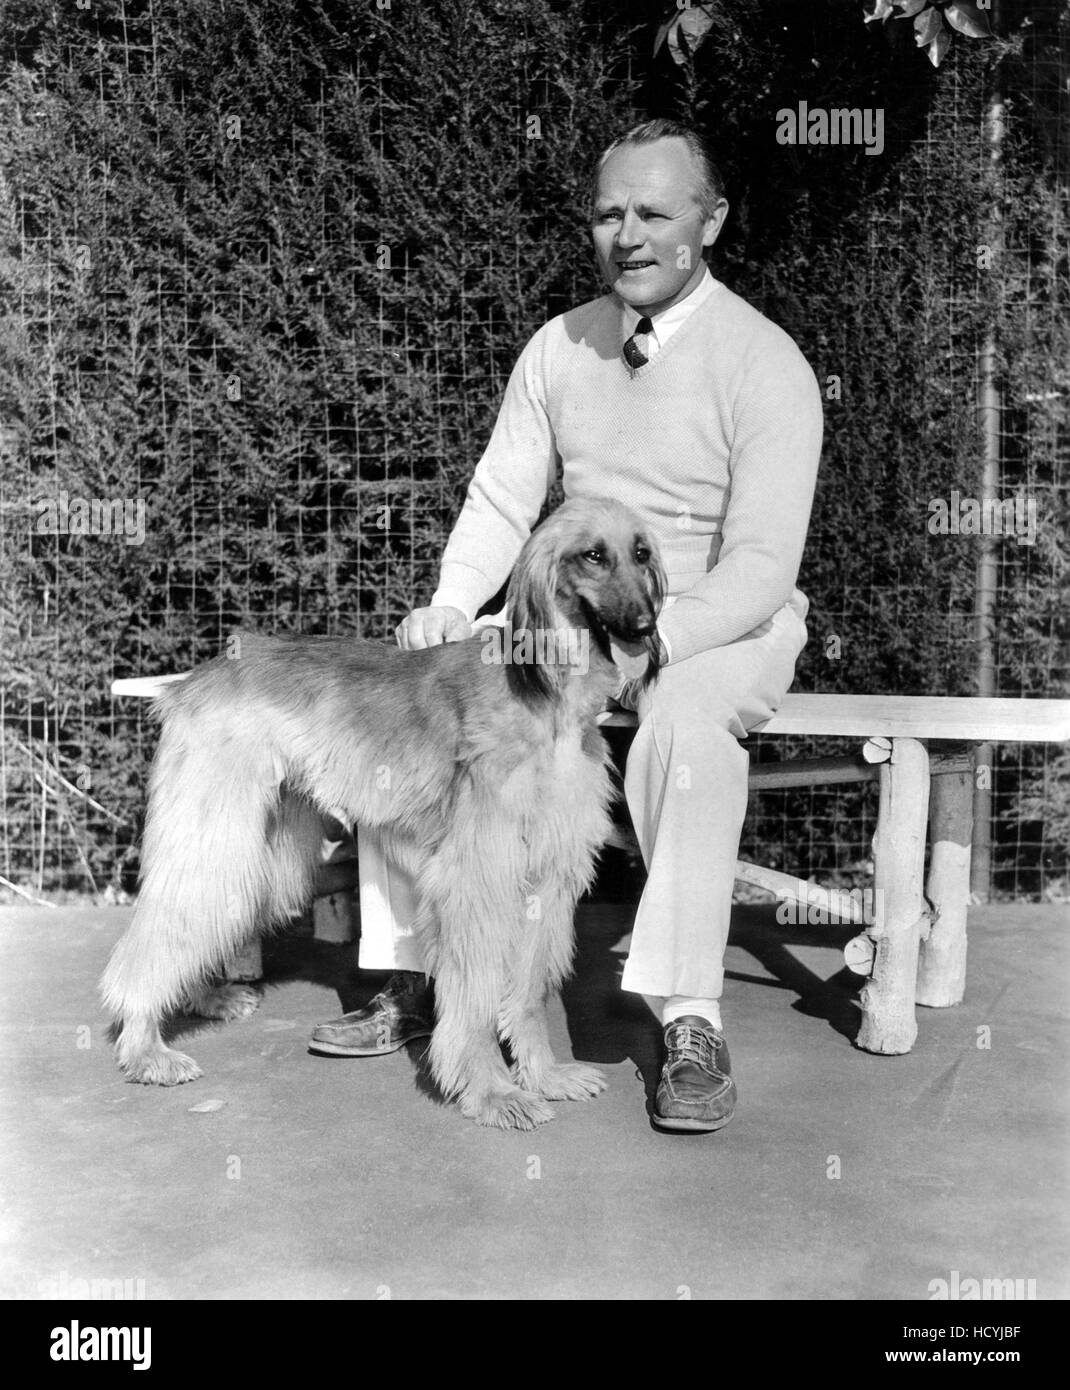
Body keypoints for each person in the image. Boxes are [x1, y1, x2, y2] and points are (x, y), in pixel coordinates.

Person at [310, 118, 823, 1132]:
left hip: (715, 621)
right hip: (568, 607)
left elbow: (762, 565)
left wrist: (649, 645)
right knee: (432, 686)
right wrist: (455, 605)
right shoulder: (559, 345)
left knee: (679, 722)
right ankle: (423, 980)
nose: (627, 235)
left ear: (708, 222)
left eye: (653, 212)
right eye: (607, 212)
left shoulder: (765, 363)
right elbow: (504, 497)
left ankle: (685, 1014)